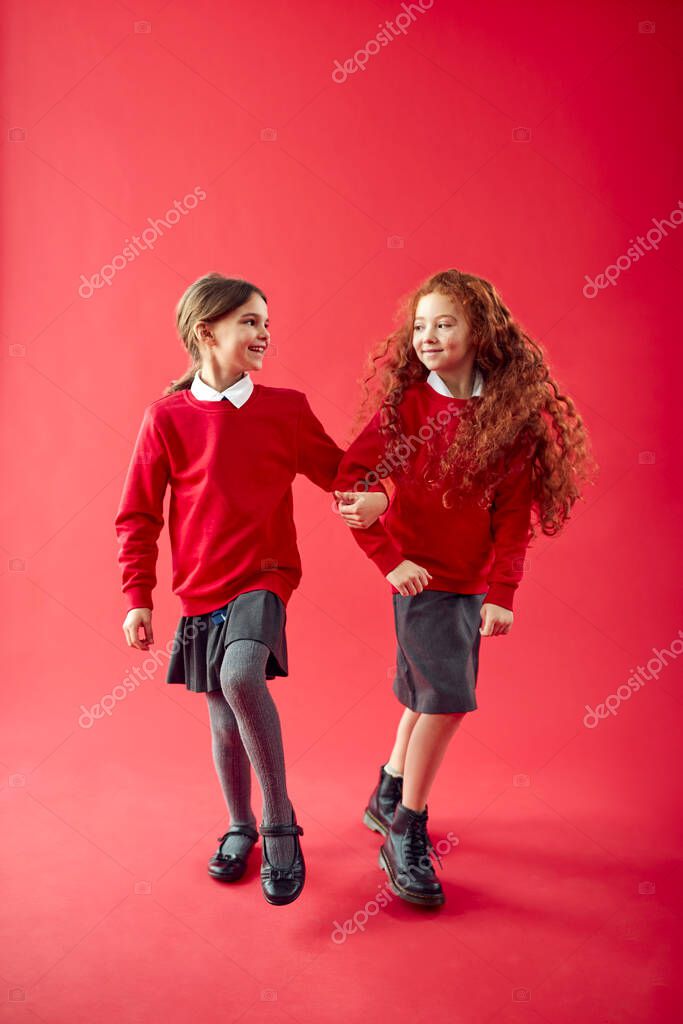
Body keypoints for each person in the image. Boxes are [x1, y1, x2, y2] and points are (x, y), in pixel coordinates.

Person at [114, 272, 386, 906]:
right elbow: (138, 515)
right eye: (250, 322)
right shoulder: (165, 419)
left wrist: (381, 488)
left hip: (265, 574)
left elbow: (340, 472)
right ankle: (240, 825)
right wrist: (137, 599)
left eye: (267, 321)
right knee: (222, 725)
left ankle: (280, 822)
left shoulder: (285, 409)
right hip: (198, 588)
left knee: (240, 677)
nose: (265, 333)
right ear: (207, 332)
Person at [333, 268, 596, 907]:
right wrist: (389, 558)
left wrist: (502, 592)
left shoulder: (508, 417)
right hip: (420, 582)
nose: (427, 335)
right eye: (419, 325)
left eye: (443, 323)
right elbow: (352, 478)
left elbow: (512, 513)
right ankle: (405, 827)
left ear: (479, 330)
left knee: (428, 699)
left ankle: (387, 791)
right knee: (447, 703)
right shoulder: (405, 410)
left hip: (470, 584)